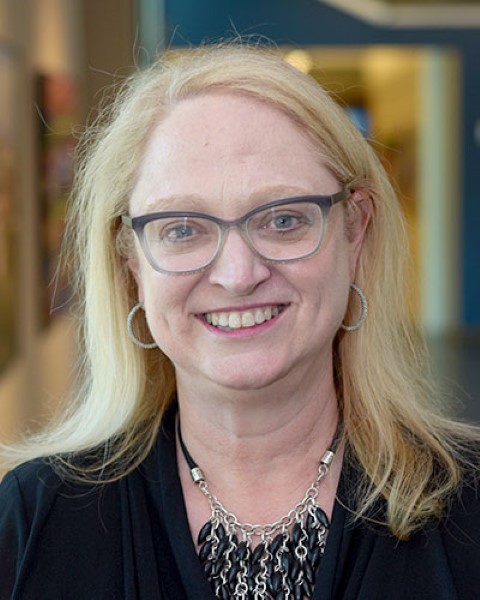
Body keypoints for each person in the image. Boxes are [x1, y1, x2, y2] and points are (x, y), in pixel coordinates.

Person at [0, 42, 479, 600]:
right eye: (182, 228)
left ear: (355, 231)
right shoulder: (32, 521)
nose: (238, 273)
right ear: (130, 263)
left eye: (282, 219)